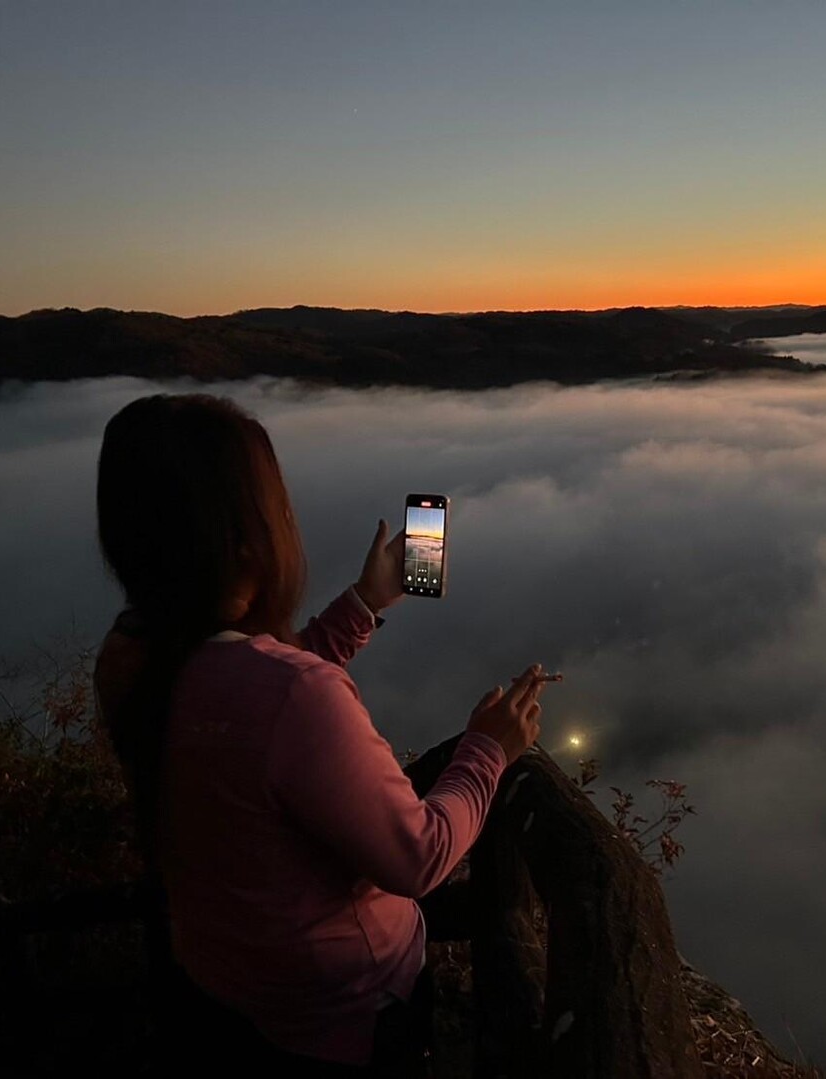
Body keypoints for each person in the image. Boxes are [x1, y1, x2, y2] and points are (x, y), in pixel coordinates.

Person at [90, 393, 547, 1076]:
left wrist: (364, 603)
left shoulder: (130, 656)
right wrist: (488, 749)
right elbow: (418, 856)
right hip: (343, 1012)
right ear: (246, 534)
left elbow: (248, 704)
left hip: (223, 975)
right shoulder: (294, 693)